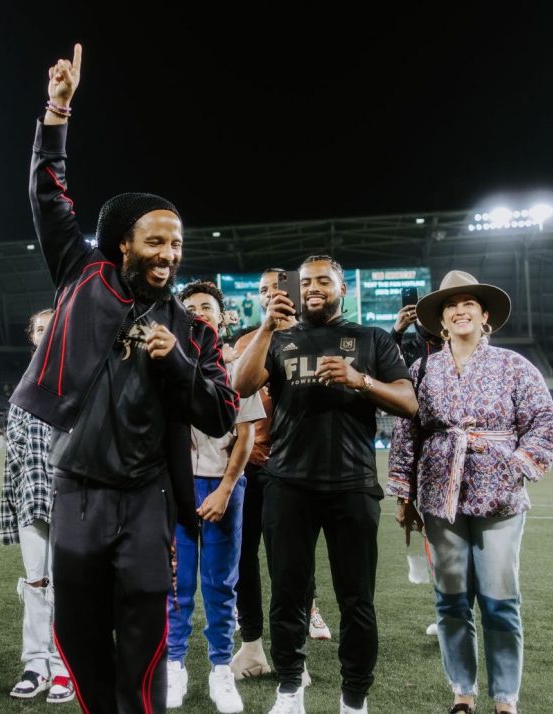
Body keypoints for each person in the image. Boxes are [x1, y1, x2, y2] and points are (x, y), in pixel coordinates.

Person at [9, 44, 238, 713]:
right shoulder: (82, 275)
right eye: (157, 240)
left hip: (144, 500)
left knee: (143, 640)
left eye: (176, 244)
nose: (169, 253)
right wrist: (57, 110)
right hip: (75, 488)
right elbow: (46, 193)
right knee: (76, 633)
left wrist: (176, 359)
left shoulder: (194, 329)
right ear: (123, 243)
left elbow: (221, 413)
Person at [234, 256, 417, 714]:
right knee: (288, 596)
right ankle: (290, 689)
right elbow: (241, 384)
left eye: (324, 281)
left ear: (341, 289)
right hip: (288, 485)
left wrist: (361, 380)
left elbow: (409, 402)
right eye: (306, 281)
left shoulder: (372, 339)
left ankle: (353, 698)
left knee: (357, 600)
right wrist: (267, 329)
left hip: (352, 486)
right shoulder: (279, 337)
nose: (313, 288)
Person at [387, 270, 553, 714]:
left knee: (501, 601)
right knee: (450, 601)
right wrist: (404, 495)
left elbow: (543, 424)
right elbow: (406, 435)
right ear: (441, 321)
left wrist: (514, 468)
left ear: (486, 317)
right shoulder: (421, 370)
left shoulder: (514, 366)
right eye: (450, 305)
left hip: (499, 499)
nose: (459, 310)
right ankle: (462, 692)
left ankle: (505, 699)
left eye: (468, 304)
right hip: (439, 498)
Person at [166, 282, 266, 714]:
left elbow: (245, 435)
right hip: (179, 486)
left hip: (224, 485)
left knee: (221, 585)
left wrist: (226, 487)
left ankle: (221, 670)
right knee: (177, 585)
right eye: (189, 309)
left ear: (222, 317)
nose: (198, 313)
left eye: (207, 307)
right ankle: (174, 666)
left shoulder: (236, 369)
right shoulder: (169, 364)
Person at [230, 268, 332, 684]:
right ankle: (252, 645)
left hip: (293, 469)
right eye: (262, 290)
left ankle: (294, 655)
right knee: (242, 558)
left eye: (278, 288)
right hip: (252, 466)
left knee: (292, 565)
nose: (270, 295)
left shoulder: (314, 339)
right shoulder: (245, 344)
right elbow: (237, 398)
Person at [0, 308, 74, 704]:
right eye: (40, 329)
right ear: (33, 336)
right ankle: (35, 663)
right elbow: (15, 452)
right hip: (32, 496)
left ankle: (63, 666)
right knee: (35, 582)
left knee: (63, 583)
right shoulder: (23, 385)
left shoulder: (79, 376)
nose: (47, 334)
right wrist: (14, 501)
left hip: (70, 495)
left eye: (53, 328)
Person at [390, 302, 446, 635]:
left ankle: (462, 614)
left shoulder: (486, 357)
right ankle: (449, 614)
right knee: (441, 551)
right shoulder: (418, 360)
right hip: (433, 473)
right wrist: (404, 493)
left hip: (478, 475)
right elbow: (386, 368)